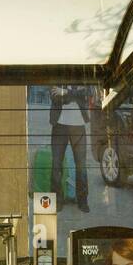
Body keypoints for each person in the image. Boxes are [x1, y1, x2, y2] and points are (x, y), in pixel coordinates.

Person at [49, 85, 92, 213]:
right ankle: (57, 201)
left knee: (81, 165)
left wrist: (65, 92)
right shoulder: (57, 76)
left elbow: (87, 93)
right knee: (56, 165)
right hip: (59, 125)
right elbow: (55, 97)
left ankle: (82, 201)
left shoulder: (81, 75)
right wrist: (75, 94)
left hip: (78, 126)